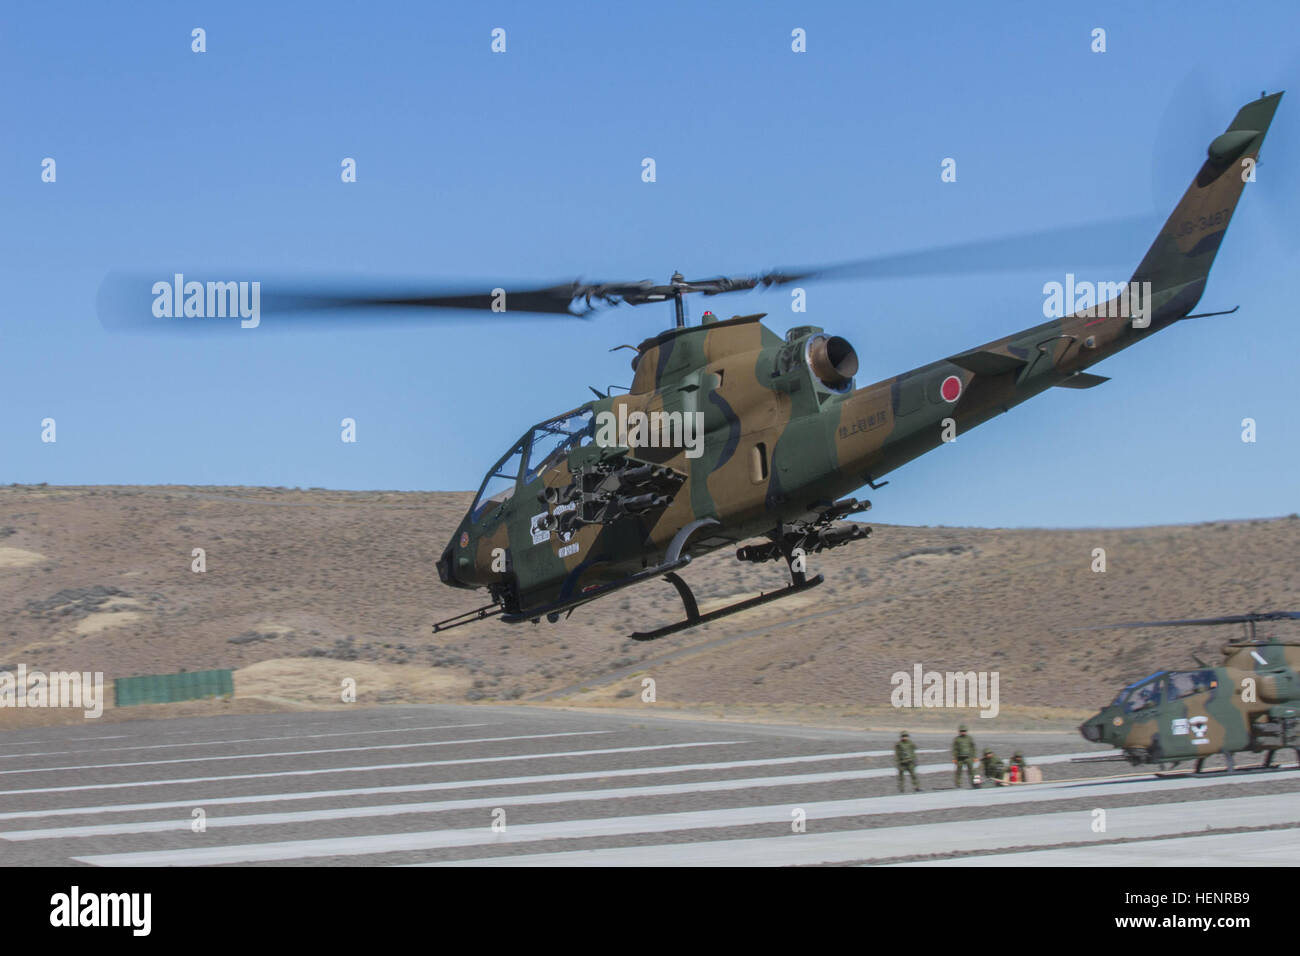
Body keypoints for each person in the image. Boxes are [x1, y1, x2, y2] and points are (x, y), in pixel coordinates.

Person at [952, 723, 977, 788]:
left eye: (964, 731)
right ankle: (958, 785)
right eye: (962, 731)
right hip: (960, 758)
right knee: (958, 773)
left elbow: (973, 748)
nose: (963, 732)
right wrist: (954, 758)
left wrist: (975, 757)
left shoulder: (969, 738)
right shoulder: (957, 739)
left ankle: (974, 784)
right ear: (959, 732)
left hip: (969, 758)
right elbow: (954, 749)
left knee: (972, 772)